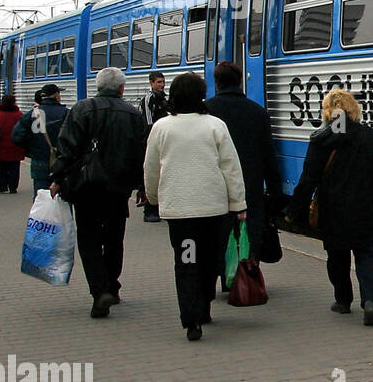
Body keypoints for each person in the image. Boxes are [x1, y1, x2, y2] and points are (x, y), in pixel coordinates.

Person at [144, 73, 247, 341]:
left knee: (186, 261)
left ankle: (192, 318)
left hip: (180, 211)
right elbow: (231, 168)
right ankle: (203, 306)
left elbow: (151, 168)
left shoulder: (161, 128)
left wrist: (153, 198)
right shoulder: (215, 126)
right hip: (213, 209)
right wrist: (238, 204)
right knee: (209, 261)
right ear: (202, 94)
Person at [285, 90, 373, 326]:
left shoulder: (320, 140)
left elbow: (308, 179)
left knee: (337, 258)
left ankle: (343, 301)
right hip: (367, 209)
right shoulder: (368, 135)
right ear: (353, 109)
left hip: (334, 211)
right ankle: (369, 302)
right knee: (368, 257)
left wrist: (294, 210)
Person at [49, 67, 147, 318]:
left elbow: (67, 146)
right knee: (114, 238)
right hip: (118, 187)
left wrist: (58, 178)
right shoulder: (133, 114)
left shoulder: (82, 109)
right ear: (122, 89)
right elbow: (141, 153)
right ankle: (112, 286)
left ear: (97, 86)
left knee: (89, 239)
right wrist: (142, 186)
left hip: (86, 186)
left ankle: (99, 290)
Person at [205, 61, 282, 255]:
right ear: (240, 81)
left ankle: (225, 276)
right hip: (250, 188)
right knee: (249, 236)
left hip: (215, 188)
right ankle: (247, 276)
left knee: (219, 238)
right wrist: (275, 193)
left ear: (217, 82)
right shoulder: (258, 112)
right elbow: (268, 156)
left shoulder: (206, 111)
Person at [13, 84, 68, 194]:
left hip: (39, 160)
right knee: (62, 195)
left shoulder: (33, 114)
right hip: (61, 161)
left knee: (40, 196)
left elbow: (16, 137)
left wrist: (31, 150)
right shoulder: (66, 113)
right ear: (56, 95)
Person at [137, 71, 169, 222]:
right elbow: (149, 122)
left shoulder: (163, 98)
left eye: (163, 82)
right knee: (151, 172)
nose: (162, 85)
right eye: (158, 82)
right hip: (150, 139)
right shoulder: (148, 99)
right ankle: (149, 208)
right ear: (151, 83)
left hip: (163, 139)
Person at [0, 93, 25, 193]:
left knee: (1, 167)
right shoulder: (19, 115)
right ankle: (13, 187)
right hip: (16, 146)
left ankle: (3, 187)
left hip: (1, 145)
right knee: (15, 167)